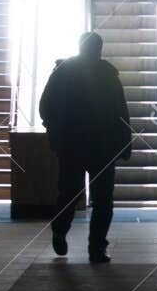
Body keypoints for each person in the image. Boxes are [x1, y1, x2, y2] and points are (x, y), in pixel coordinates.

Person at [40, 31, 131, 263]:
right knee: (103, 200)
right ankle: (96, 248)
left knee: (69, 193)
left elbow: (46, 105)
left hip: (71, 145)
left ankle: (60, 231)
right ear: (99, 49)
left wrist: (55, 133)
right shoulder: (108, 75)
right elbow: (121, 112)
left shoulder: (63, 72)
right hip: (103, 146)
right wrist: (124, 143)